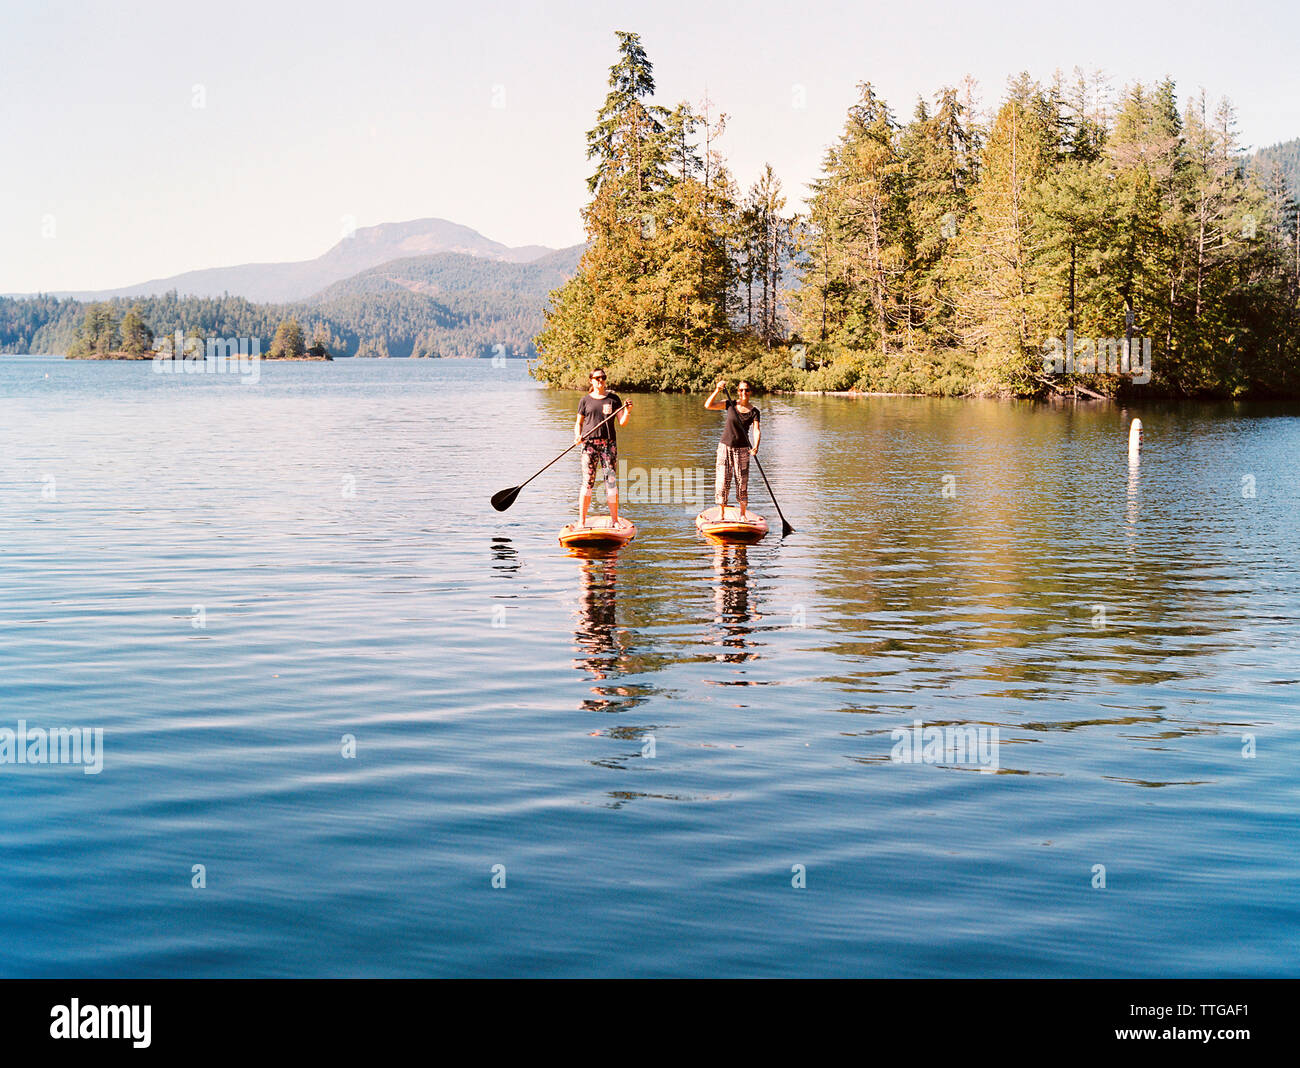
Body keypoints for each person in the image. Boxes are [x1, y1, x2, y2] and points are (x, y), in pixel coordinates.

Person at [574, 368, 631, 528]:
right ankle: (582, 522)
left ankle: (614, 521)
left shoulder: (613, 399)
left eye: (603, 378)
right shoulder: (585, 401)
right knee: (587, 482)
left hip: (608, 445)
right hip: (589, 445)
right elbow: (578, 423)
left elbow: (623, 422)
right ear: (591, 380)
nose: (601, 380)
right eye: (597, 378)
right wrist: (577, 436)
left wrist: (628, 411)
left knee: (611, 482)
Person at [704, 378, 760, 521]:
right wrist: (717, 390)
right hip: (724, 448)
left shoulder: (754, 412)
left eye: (746, 390)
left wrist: (756, 446)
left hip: (742, 450)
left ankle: (742, 515)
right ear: (737, 391)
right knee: (722, 481)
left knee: (742, 483)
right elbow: (708, 405)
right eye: (741, 390)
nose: (743, 393)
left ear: (750, 392)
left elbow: (756, 431)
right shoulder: (730, 404)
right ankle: (721, 514)